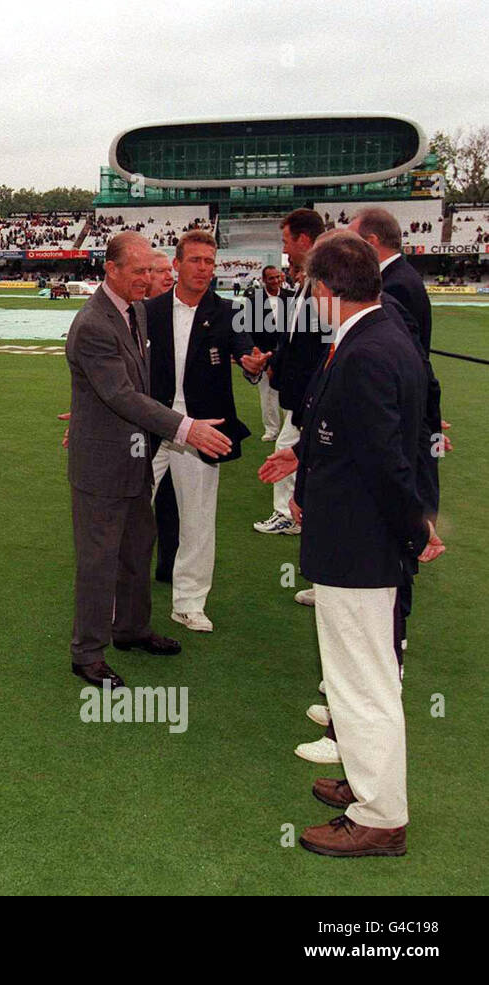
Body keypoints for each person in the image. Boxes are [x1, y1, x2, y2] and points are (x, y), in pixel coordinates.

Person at [257, 231, 436, 858]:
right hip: (360, 539)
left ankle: (381, 814)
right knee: (362, 675)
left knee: (362, 681)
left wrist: (415, 530)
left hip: (360, 545)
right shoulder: (383, 332)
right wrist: (301, 455)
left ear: (326, 289)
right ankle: (367, 782)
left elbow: (385, 459)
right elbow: (358, 431)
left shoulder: (367, 348)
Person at [64, 232, 231, 689]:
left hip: (135, 456)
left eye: (151, 270)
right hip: (102, 464)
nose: (149, 279)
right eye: (138, 271)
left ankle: (131, 629)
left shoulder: (134, 311)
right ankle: (87, 654)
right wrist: (185, 427)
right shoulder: (94, 323)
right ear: (110, 270)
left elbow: (135, 385)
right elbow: (119, 393)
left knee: (139, 546)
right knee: (98, 561)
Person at [144, 229, 262, 633]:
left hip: (202, 430)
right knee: (130, 511)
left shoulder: (228, 311)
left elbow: (245, 348)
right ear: (176, 265)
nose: (203, 269)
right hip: (152, 424)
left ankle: (189, 603)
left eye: (209, 262)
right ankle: (122, 594)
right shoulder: (149, 311)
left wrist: (251, 363)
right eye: (195, 260)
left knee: (198, 520)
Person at [255, 208, 327, 536]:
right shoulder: (307, 281)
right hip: (303, 393)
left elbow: (319, 345)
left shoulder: (324, 283)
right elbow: (294, 337)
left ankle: (288, 512)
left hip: (311, 394)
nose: (284, 249)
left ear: (303, 239)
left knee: (288, 451)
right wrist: (274, 362)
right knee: (295, 451)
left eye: (286, 241)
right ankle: (298, 511)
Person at [250, 265, 289, 442]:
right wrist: (258, 354)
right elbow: (249, 328)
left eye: (277, 277)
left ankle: (290, 429)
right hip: (264, 355)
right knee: (267, 394)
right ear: (264, 280)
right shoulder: (254, 300)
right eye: (271, 278)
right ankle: (271, 429)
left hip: (288, 355)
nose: (275, 281)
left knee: (289, 391)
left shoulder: (291, 297)